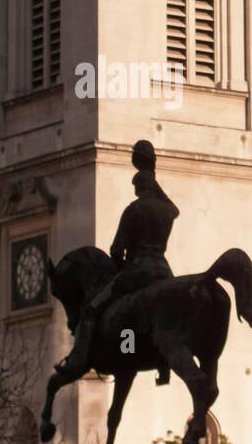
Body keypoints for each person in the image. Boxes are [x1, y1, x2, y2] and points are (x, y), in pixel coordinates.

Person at [57, 140, 179, 384]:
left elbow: (115, 250)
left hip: (136, 271)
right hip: (164, 271)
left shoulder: (133, 211)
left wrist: (120, 264)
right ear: (153, 186)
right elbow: (174, 209)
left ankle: (78, 359)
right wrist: (156, 184)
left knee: (91, 310)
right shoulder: (165, 211)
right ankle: (164, 366)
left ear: (137, 187)